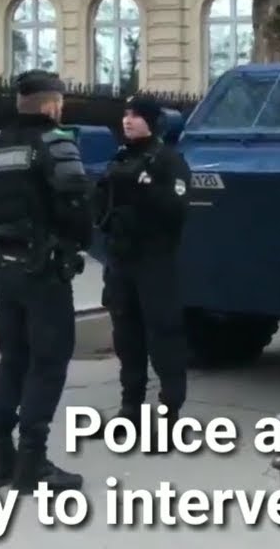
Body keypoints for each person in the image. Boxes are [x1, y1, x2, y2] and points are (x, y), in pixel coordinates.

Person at [0, 70, 93, 492]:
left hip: (3, 268)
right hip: (44, 270)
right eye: (59, 102)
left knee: (12, 359)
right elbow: (77, 205)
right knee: (48, 361)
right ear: (51, 105)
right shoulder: (55, 143)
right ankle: (32, 464)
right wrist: (77, 243)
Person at [94, 95, 191, 440]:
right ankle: (130, 409)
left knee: (164, 336)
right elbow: (102, 206)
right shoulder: (119, 159)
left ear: (153, 122)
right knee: (127, 337)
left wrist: (143, 190)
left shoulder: (168, 161)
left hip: (155, 261)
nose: (128, 120)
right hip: (121, 260)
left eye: (137, 116)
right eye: (126, 114)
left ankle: (170, 410)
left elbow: (177, 210)